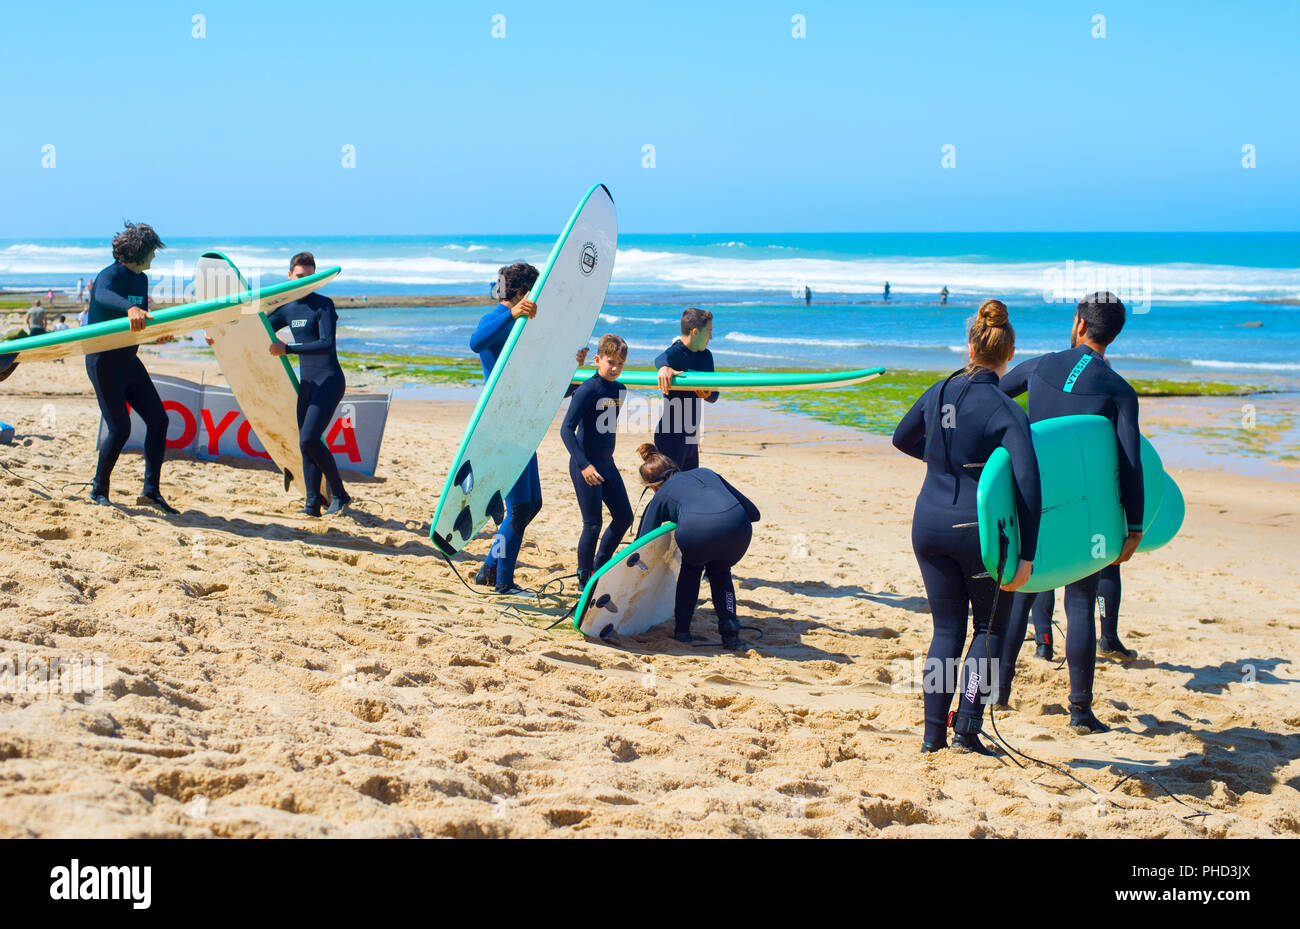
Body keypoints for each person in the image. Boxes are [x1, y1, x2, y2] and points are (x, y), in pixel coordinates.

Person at [892, 299, 1039, 755]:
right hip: (975, 531)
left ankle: (932, 736)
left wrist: (941, 463)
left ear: (969, 346)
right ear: (1009, 355)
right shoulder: (1007, 410)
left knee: (945, 631)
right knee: (988, 630)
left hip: (929, 523)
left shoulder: (937, 391)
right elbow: (1030, 485)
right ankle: (967, 729)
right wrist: (1028, 556)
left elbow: (901, 437)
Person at [995, 292, 1143, 734]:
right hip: (1085, 514)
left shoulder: (1039, 366)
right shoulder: (1119, 390)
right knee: (1080, 603)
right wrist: (1132, 528)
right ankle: (1080, 711)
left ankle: (998, 693)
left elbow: (993, 393)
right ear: (1113, 336)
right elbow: (1131, 463)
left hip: (1032, 503)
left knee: (1022, 590)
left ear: (1079, 323)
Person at [84, 222, 176, 513]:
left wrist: (156, 334)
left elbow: (139, 323)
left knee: (159, 420)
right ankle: (98, 489)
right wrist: (129, 308)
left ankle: (150, 492)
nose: (154, 257)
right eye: (152, 252)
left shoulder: (142, 280)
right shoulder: (108, 276)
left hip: (128, 360)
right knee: (120, 428)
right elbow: (102, 297)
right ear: (139, 251)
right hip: (103, 361)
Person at [634, 442, 760, 648]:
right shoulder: (707, 472)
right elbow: (754, 513)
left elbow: (641, 542)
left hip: (697, 535)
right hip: (740, 532)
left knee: (691, 570)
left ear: (652, 486)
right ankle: (730, 633)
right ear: (675, 468)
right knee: (721, 573)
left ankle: (682, 631)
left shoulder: (661, 496)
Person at [265, 251, 352, 518]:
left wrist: (288, 348)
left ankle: (340, 494)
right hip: (307, 384)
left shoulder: (323, 305)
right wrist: (217, 336)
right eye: (300, 276)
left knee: (309, 439)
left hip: (329, 381)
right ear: (289, 276)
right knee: (305, 443)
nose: (304, 281)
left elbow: (327, 344)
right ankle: (312, 503)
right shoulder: (287, 308)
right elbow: (259, 328)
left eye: (309, 278)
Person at [561, 333, 632, 586]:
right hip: (585, 464)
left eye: (620, 364)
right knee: (592, 524)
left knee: (625, 517)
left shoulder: (620, 390)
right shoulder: (587, 389)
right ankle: (583, 579)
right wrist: (584, 465)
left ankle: (599, 567)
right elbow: (566, 429)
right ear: (597, 359)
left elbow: (606, 429)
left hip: (607, 464)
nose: (615, 368)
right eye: (610, 362)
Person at [653, 307, 719, 472]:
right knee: (670, 491)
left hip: (691, 438)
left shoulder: (706, 356)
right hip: (670, 436)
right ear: (695, 332)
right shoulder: (676, 352)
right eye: (708, 332)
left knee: (689, 488)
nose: (711, 337)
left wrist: (708, 393)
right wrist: (664, 368)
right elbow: (661, 358)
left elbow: (714, 396)